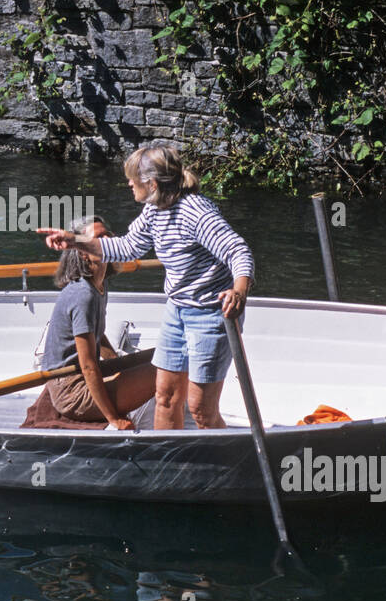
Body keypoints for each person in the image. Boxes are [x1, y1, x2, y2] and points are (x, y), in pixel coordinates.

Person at [39, 146, 254, 430]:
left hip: (210, 314)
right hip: (177, 311)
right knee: (165, 396)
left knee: (200, 409)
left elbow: (239, 252)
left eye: (132, 178)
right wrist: (74, 240)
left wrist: (238, 291)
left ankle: (228, 459)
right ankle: (171, 462)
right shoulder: (154, 211)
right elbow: (126, 247)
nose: (128, 183)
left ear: (151, 184)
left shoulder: (194, 211)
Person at [41, 216, 157, 430]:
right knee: (167, 369)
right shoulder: (83, 294)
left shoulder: (98, 285)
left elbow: (94, 332)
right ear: (84, 253)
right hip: (72, 392)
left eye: (108, 235)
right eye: (100, 238)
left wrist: (117, 363)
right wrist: (114, 419)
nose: (108, 240)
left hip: (83, 378)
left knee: (165, 354)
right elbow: (87, 366)